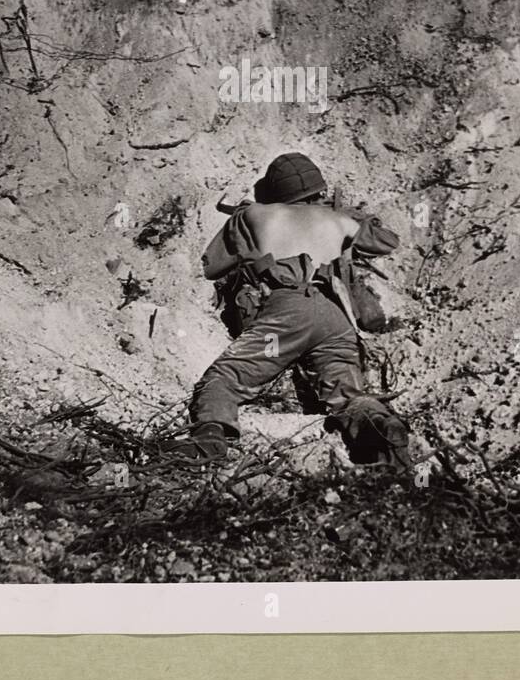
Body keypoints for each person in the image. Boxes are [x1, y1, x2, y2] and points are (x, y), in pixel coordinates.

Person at [167, 153, 409, 467]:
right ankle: (379, 428)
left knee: (225, 377)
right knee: (347, 395)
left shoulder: (254, 214)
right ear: (319, 188)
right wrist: (346, 216)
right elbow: (387, 242)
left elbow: (212, 266)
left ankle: (211, 436)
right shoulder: (341, 219)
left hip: (286, 313)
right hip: (336, 316)